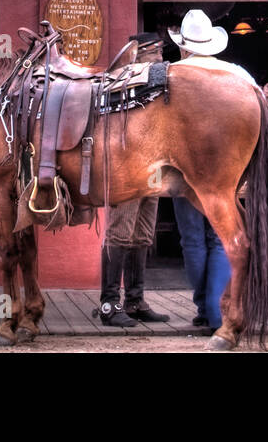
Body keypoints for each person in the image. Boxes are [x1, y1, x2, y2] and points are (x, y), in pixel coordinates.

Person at [167, 9, 253, 332]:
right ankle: (214, 312)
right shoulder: (237, 75)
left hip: (182, 172)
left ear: (183, 47)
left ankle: (204, 307)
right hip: (226, 172)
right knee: (221, 238)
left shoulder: (173, 74)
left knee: (191, 240)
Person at [96, 32, 170, 328]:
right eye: (156, 53)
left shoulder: (156, 82)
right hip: (126, 166)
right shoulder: (119, 82)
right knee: (120, 232)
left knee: (141, 235)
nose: (160, 58)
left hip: (152, 166)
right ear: (142, 53)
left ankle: (135, 300)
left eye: (160, 53)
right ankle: (108, 303)